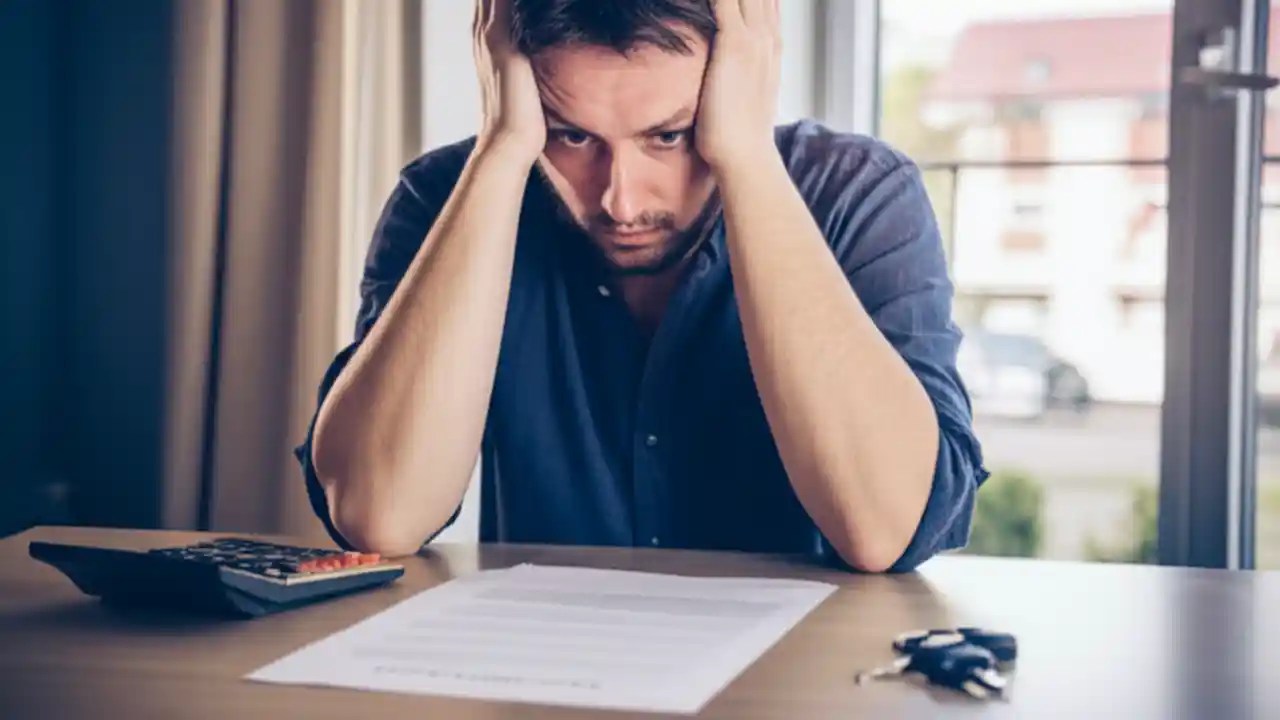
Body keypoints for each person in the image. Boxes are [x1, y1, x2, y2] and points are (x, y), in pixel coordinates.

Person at [296, 0, 989, 573]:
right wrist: (505, 145)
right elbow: (379, 515)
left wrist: (743, 153)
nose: (620, 201)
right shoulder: (449, 198)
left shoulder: (856, 196)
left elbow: (886, 529)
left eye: (670, 138)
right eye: (570, 135)